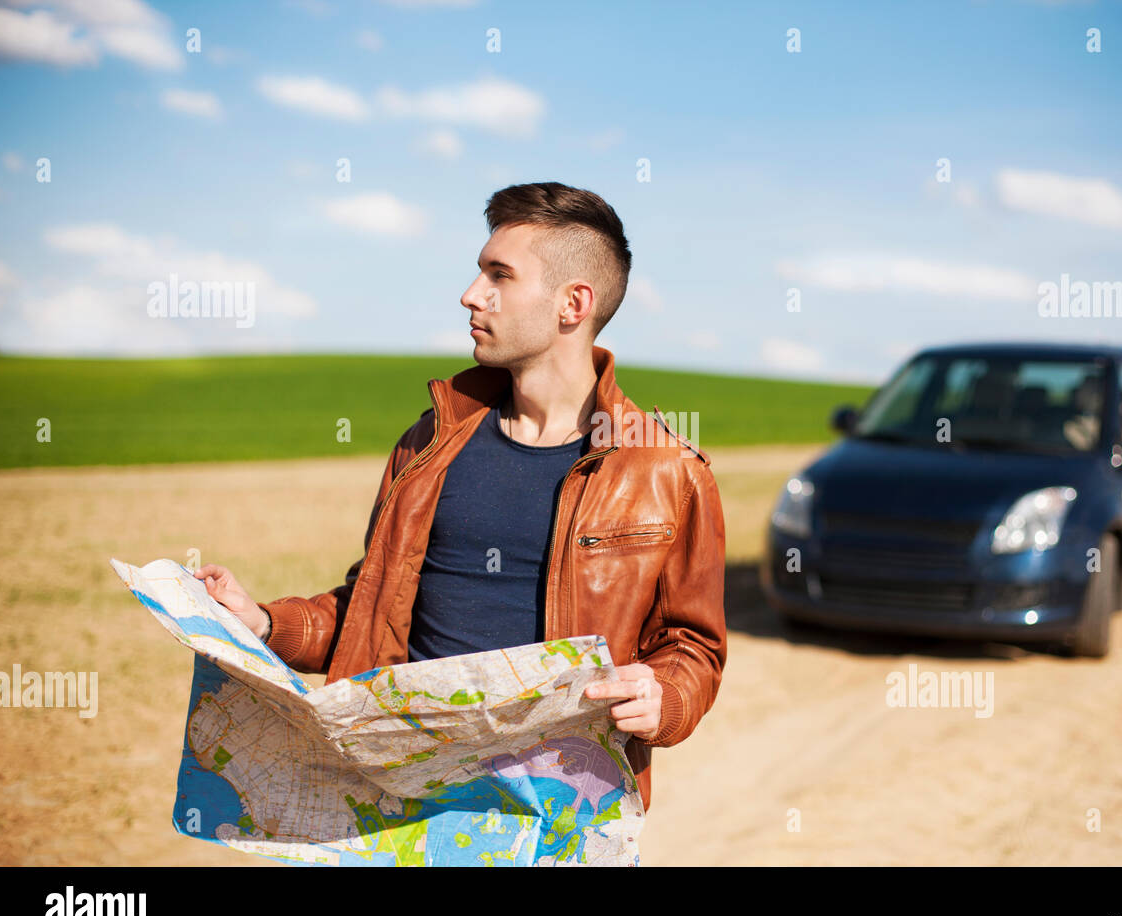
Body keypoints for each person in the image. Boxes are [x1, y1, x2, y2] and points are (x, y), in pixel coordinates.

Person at [195, 182, 726, 816]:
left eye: (499, 275)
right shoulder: (429, 445)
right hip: (404, 804)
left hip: (562, 811)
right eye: (479, 273)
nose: (472, 294)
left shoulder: (667, 469)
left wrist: (666, 696)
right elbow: (375, 608)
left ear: (572, 303)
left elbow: (694, 646)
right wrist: (264, 623)